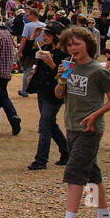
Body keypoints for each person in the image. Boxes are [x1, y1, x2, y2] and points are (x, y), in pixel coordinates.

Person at [51, 26, 110, 218]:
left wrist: (95, 115)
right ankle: (103, 217)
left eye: (77, 44)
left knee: (75, 171)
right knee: (90, 172)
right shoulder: (69, 66)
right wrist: (62, 80)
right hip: (72, 125)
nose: (73, 48)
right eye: (70, 45)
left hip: (90, 129)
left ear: (87, 44)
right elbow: (59, 94)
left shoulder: (98, 71)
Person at [28, 23, 70, 170]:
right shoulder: (45, 48)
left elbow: (65, 76)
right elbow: (27, 56)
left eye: (48, 34)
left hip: (55, 93)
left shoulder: (64, 54)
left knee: (44, 124)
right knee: (50, 124)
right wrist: (32, 38)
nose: (44, 37)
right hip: (42, 90)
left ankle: (41, 160)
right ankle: (66, 152)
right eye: (44, 34)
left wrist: (52, 64)